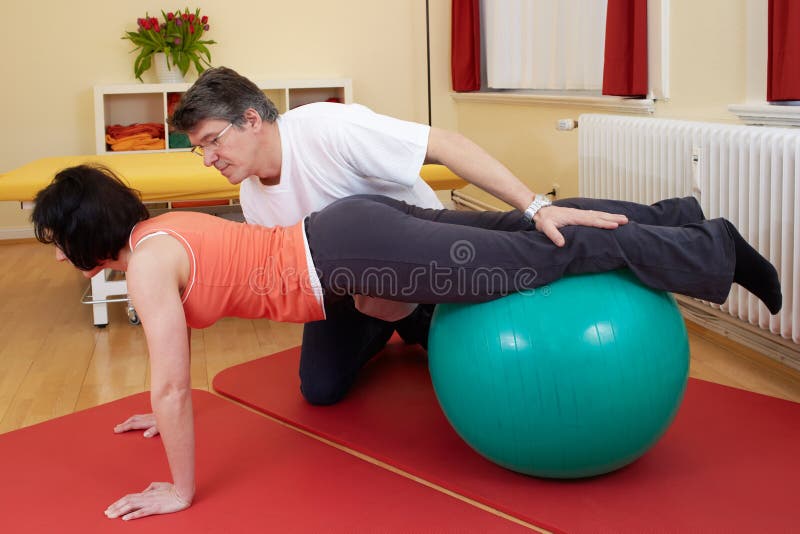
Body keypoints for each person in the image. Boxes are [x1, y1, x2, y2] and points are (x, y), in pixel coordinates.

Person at [33, 165, 780, 520]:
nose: (57, 254)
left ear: (79, 229)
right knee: (523, 231)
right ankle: (678, 215)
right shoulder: (154, 236)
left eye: (55, 240)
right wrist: (154, 414)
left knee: (545, 252)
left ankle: (711, 248)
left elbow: (170, 381)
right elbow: (168, 381)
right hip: (348, 237)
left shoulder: (152, 263)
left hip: (355, 255)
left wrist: (181, 488)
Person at [167, 66, 631, 407]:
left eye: (212, 141)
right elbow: (292, 277)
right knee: (319, 390)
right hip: (354, 291)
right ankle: (388, 321)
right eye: (199, 149)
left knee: (492, 373)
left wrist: (535, 206)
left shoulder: (328, 128)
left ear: (251, 119)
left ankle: (415, 317)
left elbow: (445, 144)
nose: (208, 158)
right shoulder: (252, 199)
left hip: (428, 266)